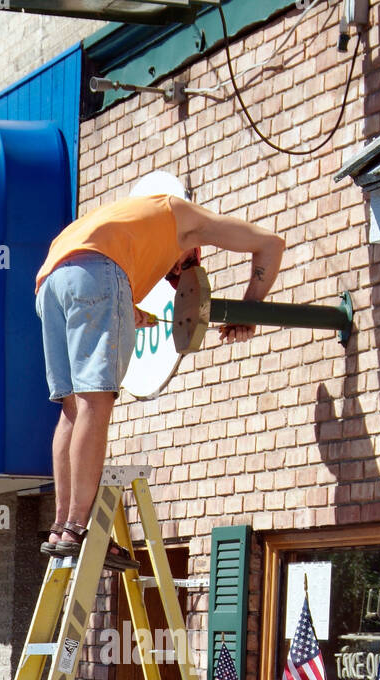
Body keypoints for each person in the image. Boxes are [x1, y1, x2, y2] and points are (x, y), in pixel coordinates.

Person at [35, 193, 286, 569]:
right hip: (97, 269)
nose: (172, 280)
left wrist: (126, 306)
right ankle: (76, 529)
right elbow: (270, 244)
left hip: (51, 281)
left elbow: (89, 272)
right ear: (190, 252)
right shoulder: (183, 217)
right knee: (95, 401)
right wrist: (250, 306)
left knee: (70, 409)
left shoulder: (133, 221)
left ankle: (60, 528)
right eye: (176, 274)